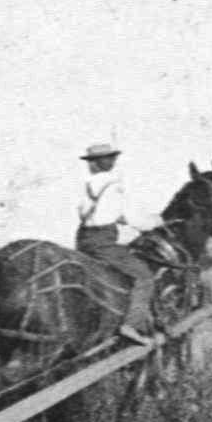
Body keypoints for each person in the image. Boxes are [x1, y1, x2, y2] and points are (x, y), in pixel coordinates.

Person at [75, 143, 158, 344]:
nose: (113, 161)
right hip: (103, 241)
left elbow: (85, 212)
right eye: (109, 158)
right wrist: (154, 222)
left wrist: (115, 217)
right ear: (102, 162)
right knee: (144, 276)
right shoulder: (114, 184)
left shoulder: (88, 184)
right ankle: (132, 324)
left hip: (84, 239)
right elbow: (135, 220)